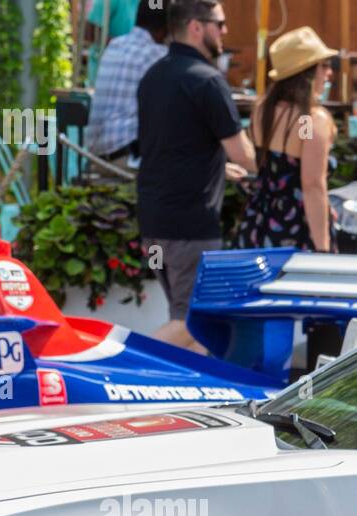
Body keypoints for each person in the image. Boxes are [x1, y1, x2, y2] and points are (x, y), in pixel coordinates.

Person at [137, 0, 256, 349]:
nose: (225, 31)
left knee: (193, 329)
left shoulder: (153, 76)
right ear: (196, 26)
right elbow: (246, 157)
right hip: (189, 225)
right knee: (191, 322)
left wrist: (217, 165)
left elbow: (173, 143)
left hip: (154, 222)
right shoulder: (207, 81)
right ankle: (117, 367)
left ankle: (179, 402)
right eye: (219, 23)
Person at [234, 27, 337, 252]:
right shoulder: (309, 120)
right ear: (308, 72)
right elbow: (312, 186)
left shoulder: (261, 110)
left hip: (258, 222)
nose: (329, 73)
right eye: (325, 65)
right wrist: (323, 249)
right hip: (296, 229)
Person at [86, 1, 169, 162]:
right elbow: (90, 31)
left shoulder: (116, 45)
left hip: (97, 153)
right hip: (126, 155)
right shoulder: (159, 55)